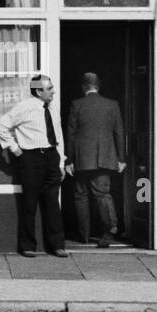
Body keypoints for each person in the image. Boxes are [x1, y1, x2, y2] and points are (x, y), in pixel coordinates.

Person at [0, 74, 68, 258]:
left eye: (52, 87)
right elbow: (1, 125)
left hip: (51, 156)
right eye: (49, 89)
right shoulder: (24, 107)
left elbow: (58, 136)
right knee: (29, 203)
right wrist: (15, 149)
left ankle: (57, 245)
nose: (53, 91)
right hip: (31, 158)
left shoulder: (52, 108)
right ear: (38, 92)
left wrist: (60, 162)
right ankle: (27, 246)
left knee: (53, 203)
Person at [65, 72, 126, 246]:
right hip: (105, 157)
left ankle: (84, 236)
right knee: (103, 194)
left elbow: (71, 134)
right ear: (98, 87)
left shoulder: (77, 104)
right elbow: (119, 133)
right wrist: (121, 158)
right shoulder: (112, 105)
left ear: (83, 87)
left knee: (80, 196)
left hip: (82, 159)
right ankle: (110, 228)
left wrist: (69, 160)